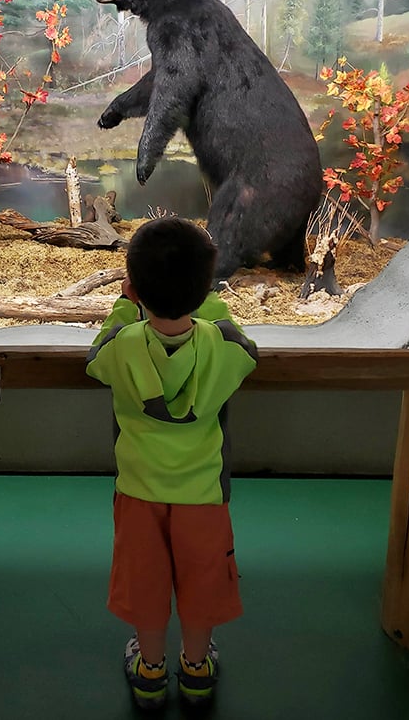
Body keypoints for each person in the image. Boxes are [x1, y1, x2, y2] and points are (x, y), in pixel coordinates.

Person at [86, 217, 258, 711]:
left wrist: (123, 307)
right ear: (203, 288)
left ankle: (150, 671)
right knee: (202, 580)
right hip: (203, 495)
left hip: (139, 490)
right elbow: (244, 346)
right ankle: (198, 670)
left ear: (134, 287)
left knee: (146, 580)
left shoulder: (121, 348)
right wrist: (213, 300)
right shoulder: (222, 347)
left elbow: (96, 354)